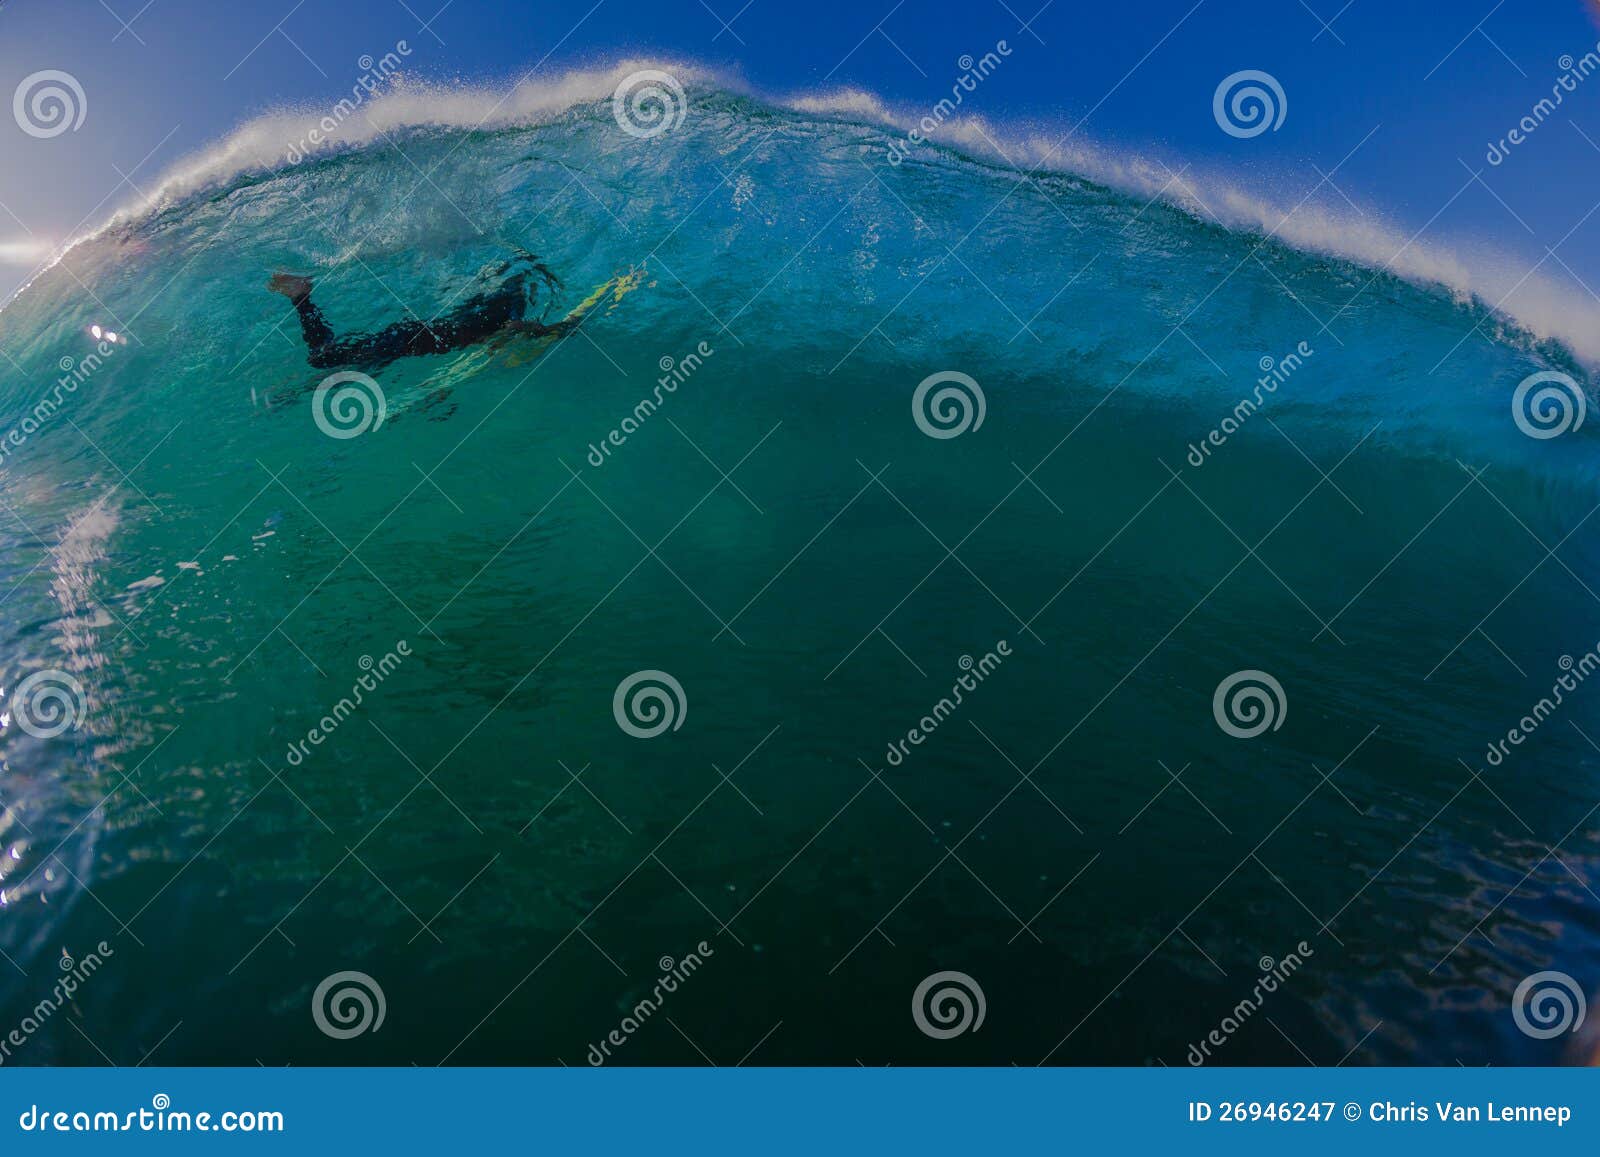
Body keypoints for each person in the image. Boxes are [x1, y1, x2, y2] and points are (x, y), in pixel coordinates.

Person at [267, 255, 582, 371]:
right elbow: (514, 327)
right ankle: (301, 295)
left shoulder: (493, 299)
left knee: (332, 359)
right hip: (416, 340)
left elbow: (502, 327)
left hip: (415, 335)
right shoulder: (512, 298)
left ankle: (301, 297)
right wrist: (556, 329)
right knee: (326, 359)